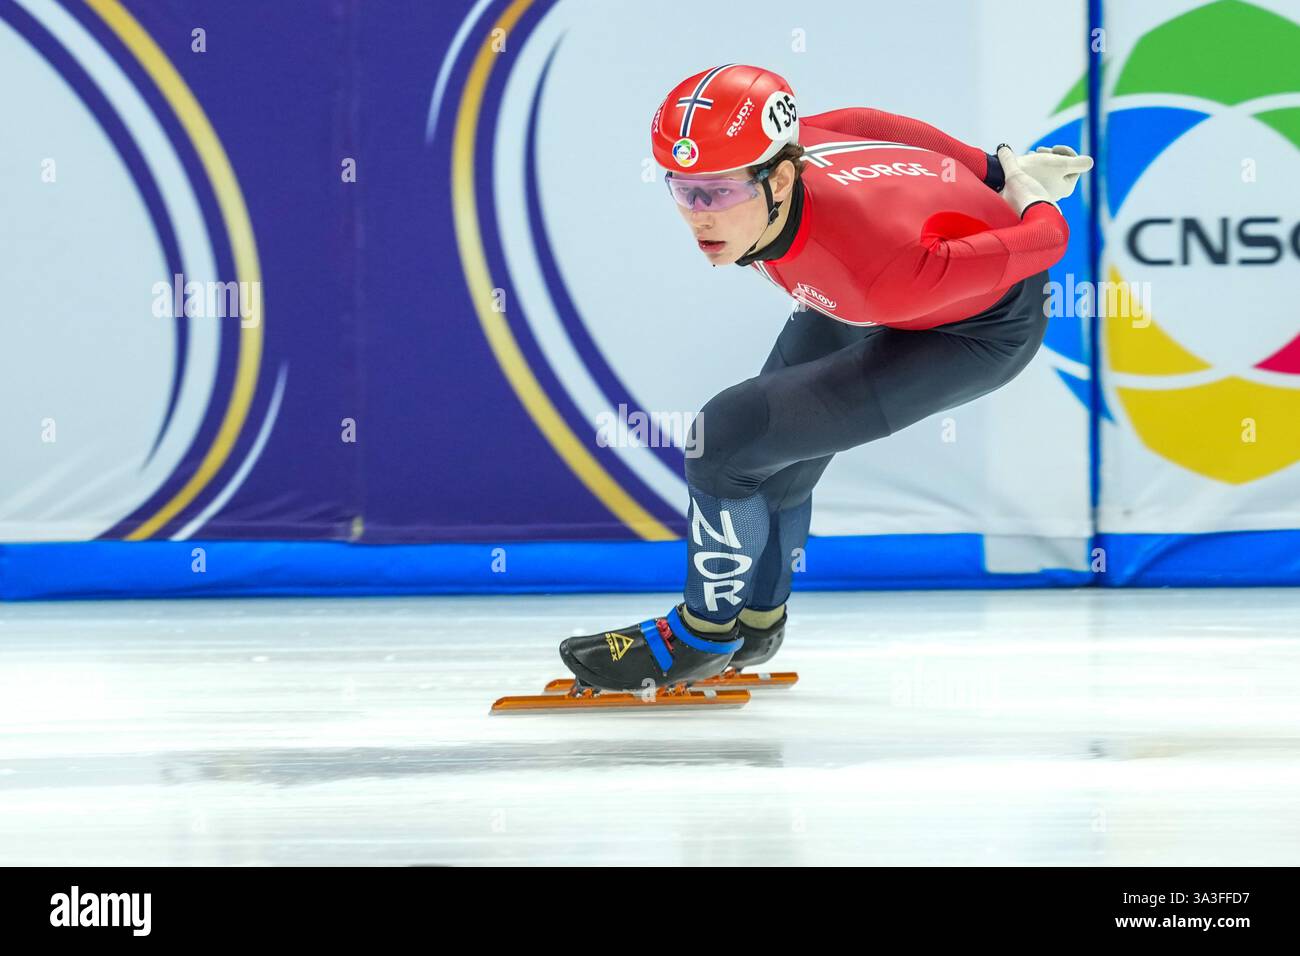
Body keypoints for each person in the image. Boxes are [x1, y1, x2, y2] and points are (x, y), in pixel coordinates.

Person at [560, 63, 1093, 693]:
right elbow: (863, 123)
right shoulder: (791, 150)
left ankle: (699, 638)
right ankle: (757, 621)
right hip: (872, 281)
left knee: (725, 439)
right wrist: (995, 166)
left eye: (722, 193)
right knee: (771, 455)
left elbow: (1047, 240)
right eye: (685, 191)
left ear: (781, 178)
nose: (700, 217)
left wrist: (1026, 192)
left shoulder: (878, 267)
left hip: (973, 331)